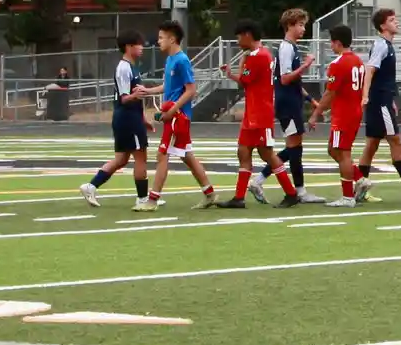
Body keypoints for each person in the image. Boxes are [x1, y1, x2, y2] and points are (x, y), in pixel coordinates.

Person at [224, 22, 301, 208]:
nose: (238, 41)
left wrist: (238, 67)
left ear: (248, 35)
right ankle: (239, 197)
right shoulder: (262, 54)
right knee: (243, 151)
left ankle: (291, 193)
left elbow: (244, 80)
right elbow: (247, 82)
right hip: (254, 112)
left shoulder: (258, 56)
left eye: (239, 37)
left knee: (266, 153)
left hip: (260, 113)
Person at [146, 21, 219, 211]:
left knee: (162, 155)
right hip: (173, 115)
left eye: (162, 37)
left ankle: (152, 200)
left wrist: (172, 110)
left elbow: (191, 90)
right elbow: (168, 86)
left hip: (178, 117)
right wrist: (146, 91)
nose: (158, 41)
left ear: (172, 39)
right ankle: (209, 193)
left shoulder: (181, 60)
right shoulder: (170, 60)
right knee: (187, 156)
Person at [357, 8, 401, 207]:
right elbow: (370, 70)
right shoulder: (381, 45)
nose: (397, 23)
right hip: (379, 100)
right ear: (383, 25)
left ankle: (359, 188)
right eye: (392, 20)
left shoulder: (387, 45)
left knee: (372, 144)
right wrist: (366, 95)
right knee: (395, 141)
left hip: (383, 99)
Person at [81, 30, 150, 209]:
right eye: (138, 44)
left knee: (121, 159)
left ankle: (91, 186)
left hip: (130, 117)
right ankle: (143, 198)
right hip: (127, 118)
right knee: (141, 157)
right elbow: (124, 98)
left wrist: (143, 118)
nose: (142, 48)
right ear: (128, 47)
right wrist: (137, 94)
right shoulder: (124, 67)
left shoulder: (131, 66)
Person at [313, 25, 366, 207]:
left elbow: (330, 93)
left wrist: (315, 114)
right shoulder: (358, 61)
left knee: (342, 153)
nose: (330, 45)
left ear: (337, 42)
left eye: (332, 42)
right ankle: (359, 179)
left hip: (343, 114)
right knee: (334, 149)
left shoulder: (338, 63)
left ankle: (347, 196)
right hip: (354, 111)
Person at [269, 7, 315, 201]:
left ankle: (261, 178)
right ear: (289, 25)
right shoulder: (286, 48)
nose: (303, 29)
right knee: (294, 146)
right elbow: (286, 79)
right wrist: (306, 65)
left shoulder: (292, 47)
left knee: (295, 146)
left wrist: (311, 100)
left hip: (291, 100)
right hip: (287, 102)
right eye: (300, 24)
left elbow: (294, 83)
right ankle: (299, 191)